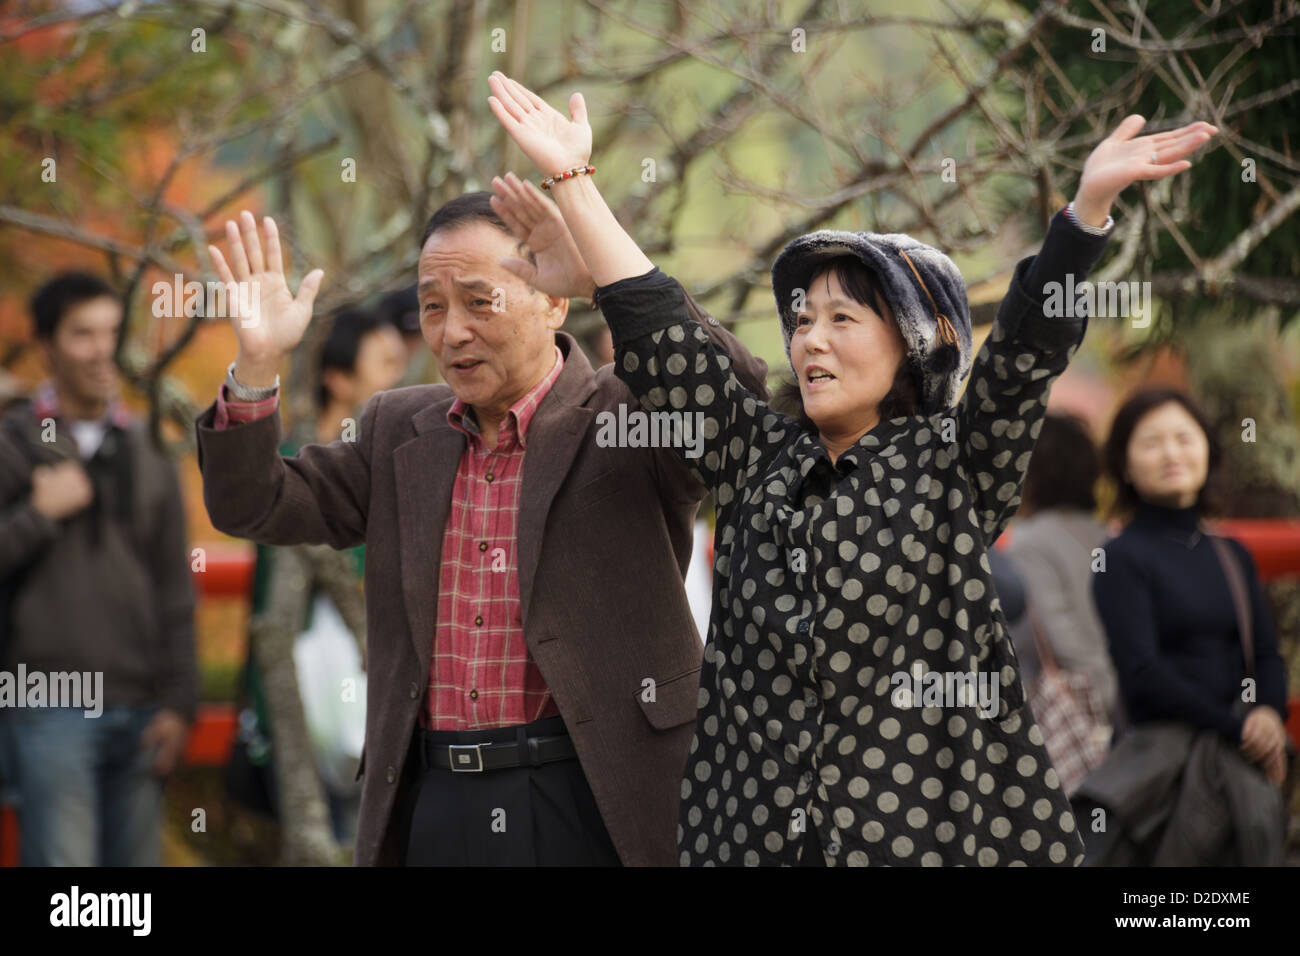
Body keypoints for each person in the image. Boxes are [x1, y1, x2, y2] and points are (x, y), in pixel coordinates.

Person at [486, 68, 1217, 865]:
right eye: (801, 321)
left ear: (914, 343)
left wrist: (1085, 218)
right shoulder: (754, 457)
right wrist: (575, 180)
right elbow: (663, 336)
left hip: (929, 842)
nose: (811, 340)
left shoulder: (956, 469)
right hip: (755, 839)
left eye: (843, 318)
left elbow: (1022, 361)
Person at [194, 182, 770, 865]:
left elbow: (731, 407)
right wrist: (257, 367)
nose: (451, 331)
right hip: (437, 799)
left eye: (478, 300)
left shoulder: (629, 412)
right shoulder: (396, 430)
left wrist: (608, 279)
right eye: (432, 308)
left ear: (553, 300)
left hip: (598, 793)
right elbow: (253, 502)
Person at [0, 271, 198, 866]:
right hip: (46, 704)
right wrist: (38, 514)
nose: (102, 349)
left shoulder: (148, 451)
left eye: (112, 331)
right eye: (83, 334)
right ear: (47, 345)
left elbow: (174, 585)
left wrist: (180, 704)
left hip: (140, 708)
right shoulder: (12, 443)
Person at [1077, 388, 1290, 864]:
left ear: (1206, 452)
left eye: (1183, 438)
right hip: (1164, 767)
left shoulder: (1230, 554)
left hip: (1239, 751)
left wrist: (1269, 715)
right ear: (1126, 465)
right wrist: (1236, 729)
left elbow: (1266, 654)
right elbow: (1143, 675)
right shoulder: (1120, 558)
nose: (1171, 452)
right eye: (1151, 442)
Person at [234, 307, 406, 844]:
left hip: (369, 676)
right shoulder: (292, 467)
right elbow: (273, 602)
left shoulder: (401, 457)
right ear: (338, 378)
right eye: (384, 364)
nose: (398, 380)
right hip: (310, 681)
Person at [1005, 414, 1120, 793]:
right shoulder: (1108, 535)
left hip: (1074, 714)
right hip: (1124, 709)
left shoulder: (1029, 542)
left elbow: (1059, 639)